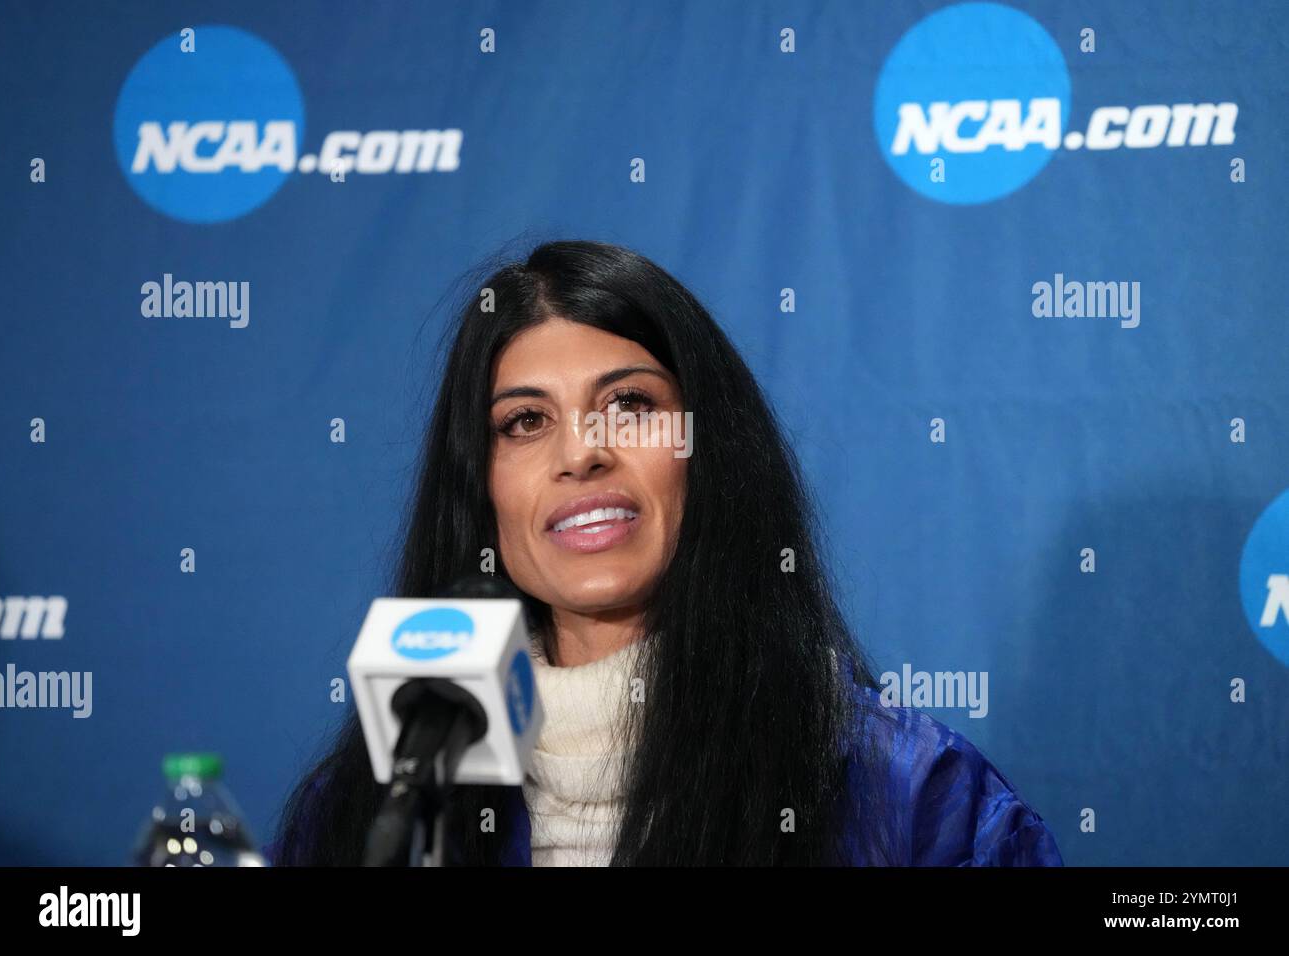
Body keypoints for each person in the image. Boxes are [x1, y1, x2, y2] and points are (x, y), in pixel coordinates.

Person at [269, 239, 1063, 866]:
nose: (581, 454)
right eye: (524, 423)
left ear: (706, 450)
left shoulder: (905, 792)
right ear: (481, 492)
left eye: (629, 404)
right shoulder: (376, 812)